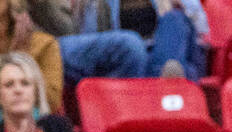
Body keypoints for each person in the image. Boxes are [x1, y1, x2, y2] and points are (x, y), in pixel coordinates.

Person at [27, 0, 207, 84]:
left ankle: (164, 80)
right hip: (130, 56)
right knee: (132, 47)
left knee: (175, 20)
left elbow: (201, 30)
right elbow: (88, 36)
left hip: (162, 49)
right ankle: (164, 84)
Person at [0, 1, 60, 110]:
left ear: (15, 20)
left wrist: (22, 61)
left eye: (2, 19)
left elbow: (52, 101)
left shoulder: (44, 45)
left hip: (33, 119)